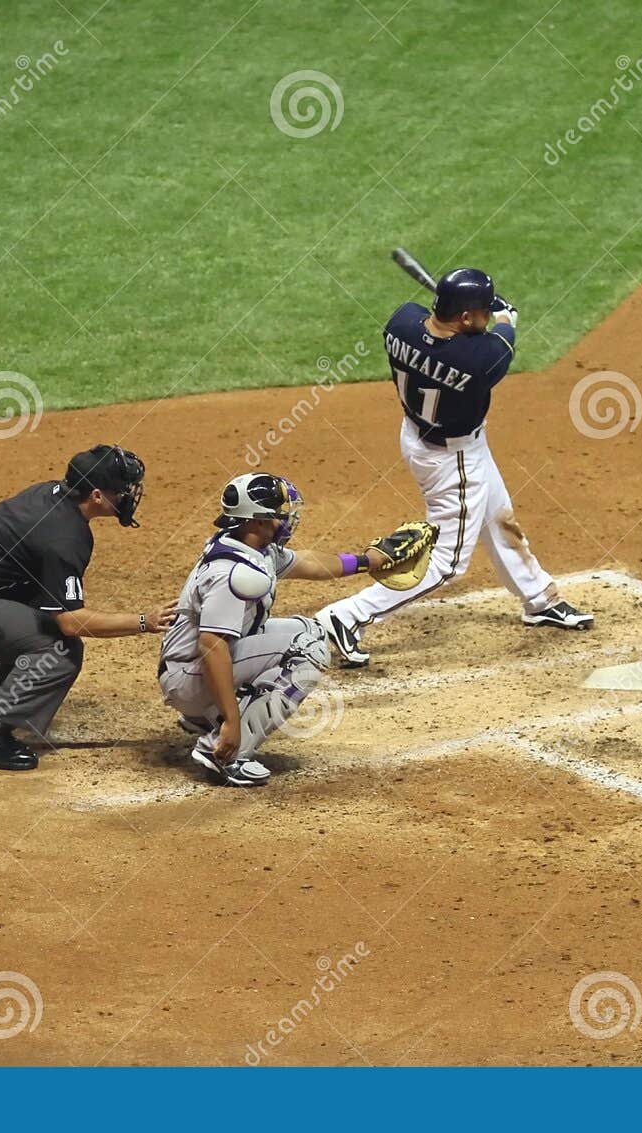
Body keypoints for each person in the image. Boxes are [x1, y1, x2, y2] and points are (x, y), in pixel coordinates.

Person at [315, 267, 591, 669]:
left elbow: (451, 335)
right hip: (453, 461)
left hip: (417, 436)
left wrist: (483, 315)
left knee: (497, 515)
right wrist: (503, 317)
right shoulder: (478, 362)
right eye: (476, 313)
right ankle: (346, 616)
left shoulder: (401, 323)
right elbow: (501, 341)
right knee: (447, 563)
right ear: (465, 318)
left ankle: (538, 598)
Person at [0, 444, 177, 771]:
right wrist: (142, 621)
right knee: (60, 649)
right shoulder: (64, 537)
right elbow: (70, 622)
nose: (126, 497)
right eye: (120, 490)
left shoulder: (51, 494)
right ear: (95, 495)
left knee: (37, 605)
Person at [159, 472, 408, 787]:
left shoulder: (249, 546)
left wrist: (368, 561)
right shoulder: (232, 573)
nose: (288, 520)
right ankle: (224, 752)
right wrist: (233, 720)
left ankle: (205, 715)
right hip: (189, 676)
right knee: (308, 649)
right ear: (257, 521)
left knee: (312, 631)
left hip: (189, 668)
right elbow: (213, 646)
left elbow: (309, 563)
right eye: (279, 515)